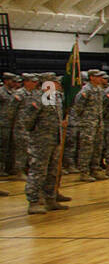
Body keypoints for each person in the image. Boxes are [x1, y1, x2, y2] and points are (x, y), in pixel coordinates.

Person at [20, 72, 69, 214]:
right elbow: (27, 121)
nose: (58, 84)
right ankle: (34, 201)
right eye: (54, 82)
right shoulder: (37, 98)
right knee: (38, 171)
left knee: (53, 171)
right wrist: (38, 134)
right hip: (41, 142)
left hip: (55, 140)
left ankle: (50, 199)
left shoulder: (56, 98)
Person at [70, 69, 106, 181]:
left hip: (98, 123)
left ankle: (94, 169)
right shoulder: (85, 91)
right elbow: (78, 108)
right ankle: (84, 172)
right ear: (92, 78)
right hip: (87, 124)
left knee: (97, 148)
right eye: (98, 76)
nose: (101, 78)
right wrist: (85, 121)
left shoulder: (99, 90)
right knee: (86, 148)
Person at [0, 72, 19, 178]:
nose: (14, 83)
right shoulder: (1, 92)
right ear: (6, 81)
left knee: (11, 148)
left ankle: (9, 168)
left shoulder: (13, 92)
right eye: (12, 81)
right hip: (3, 123)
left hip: (12, 123)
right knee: (2, 148)